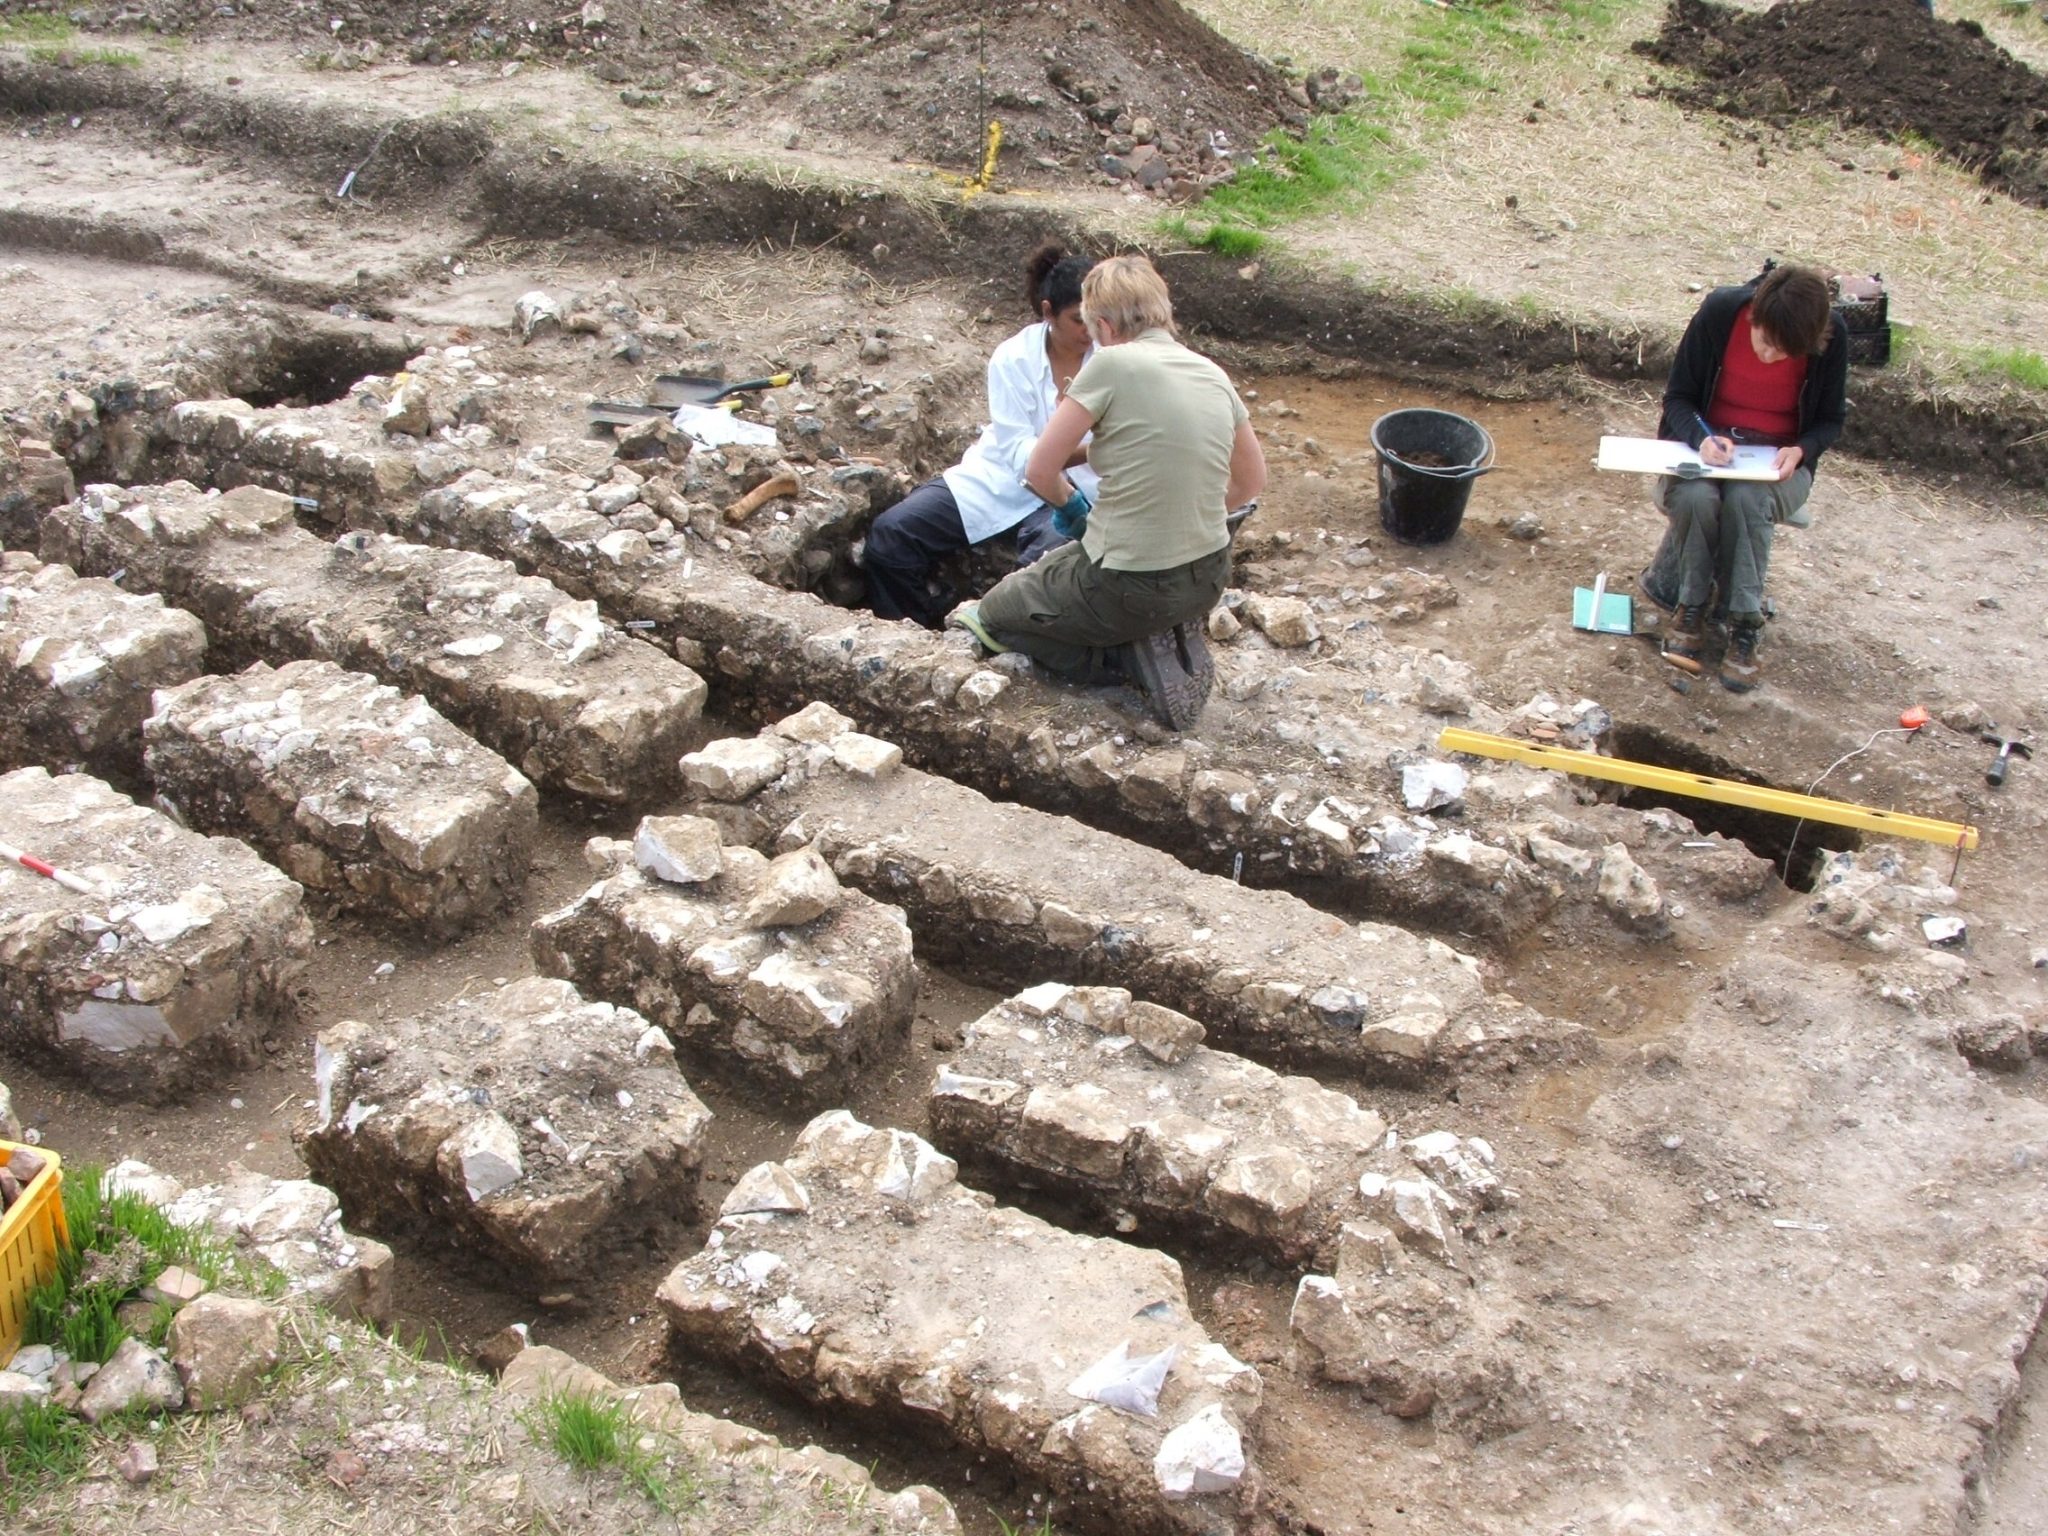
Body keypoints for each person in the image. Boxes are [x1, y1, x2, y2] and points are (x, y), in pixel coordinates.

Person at [952, 254, 1266, 730]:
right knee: (1100, 585)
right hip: (1207, 579)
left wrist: (1074, 509)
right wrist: (1189, 515)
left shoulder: (1112, 365)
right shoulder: (1211, 372)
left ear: (1102, 323)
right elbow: (1250, 484)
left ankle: (1121, 660)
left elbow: (1039, 471)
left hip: (1128, 584)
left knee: (993, 616)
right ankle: (1156, 629)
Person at [861, 244, 1099, 628]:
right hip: (1002, 478)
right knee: (891, 537)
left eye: (1096, 317)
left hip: (1086, 489)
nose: (1090, 330)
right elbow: (1022, 456)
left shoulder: (1114, 358)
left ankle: (1003, 654)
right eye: (1077, 320)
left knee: (1041, 576)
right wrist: (1090, 451)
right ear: (1047, 312)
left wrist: (1077, 463)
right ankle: (920, 635)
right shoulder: (1014, 357)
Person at [1639, 262, 1847, 692]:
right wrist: (1702, 436)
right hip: (1705, 451)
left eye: (1784, 352)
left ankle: (1744, 623)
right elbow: (1678, 397)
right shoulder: (1720, 313)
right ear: (1754, 315)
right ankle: (1691, 607)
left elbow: (1829, 420)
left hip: (1776, 466)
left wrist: (1801, 449)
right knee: (1698, 498)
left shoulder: (1832, 335)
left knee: (1747, 501)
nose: (1769, 356)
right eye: (1765, 342)